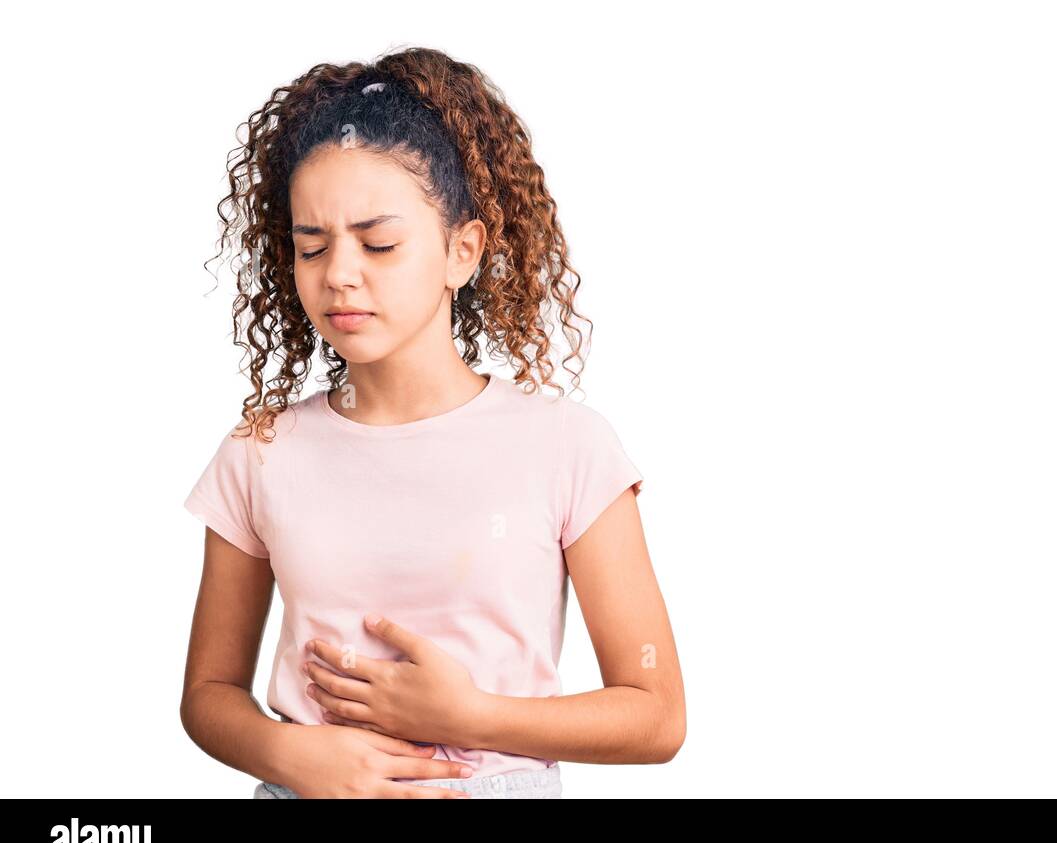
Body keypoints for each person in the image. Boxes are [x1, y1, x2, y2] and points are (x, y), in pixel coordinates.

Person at [179, 46, 685, 799]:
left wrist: (472, 714)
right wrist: (290, 757)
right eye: (310, 246)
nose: (339, 273)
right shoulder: (260, 453)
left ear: (461, 251)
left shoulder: (566, 447)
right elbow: (209, 693)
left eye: (379, 244)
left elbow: (655, 715)